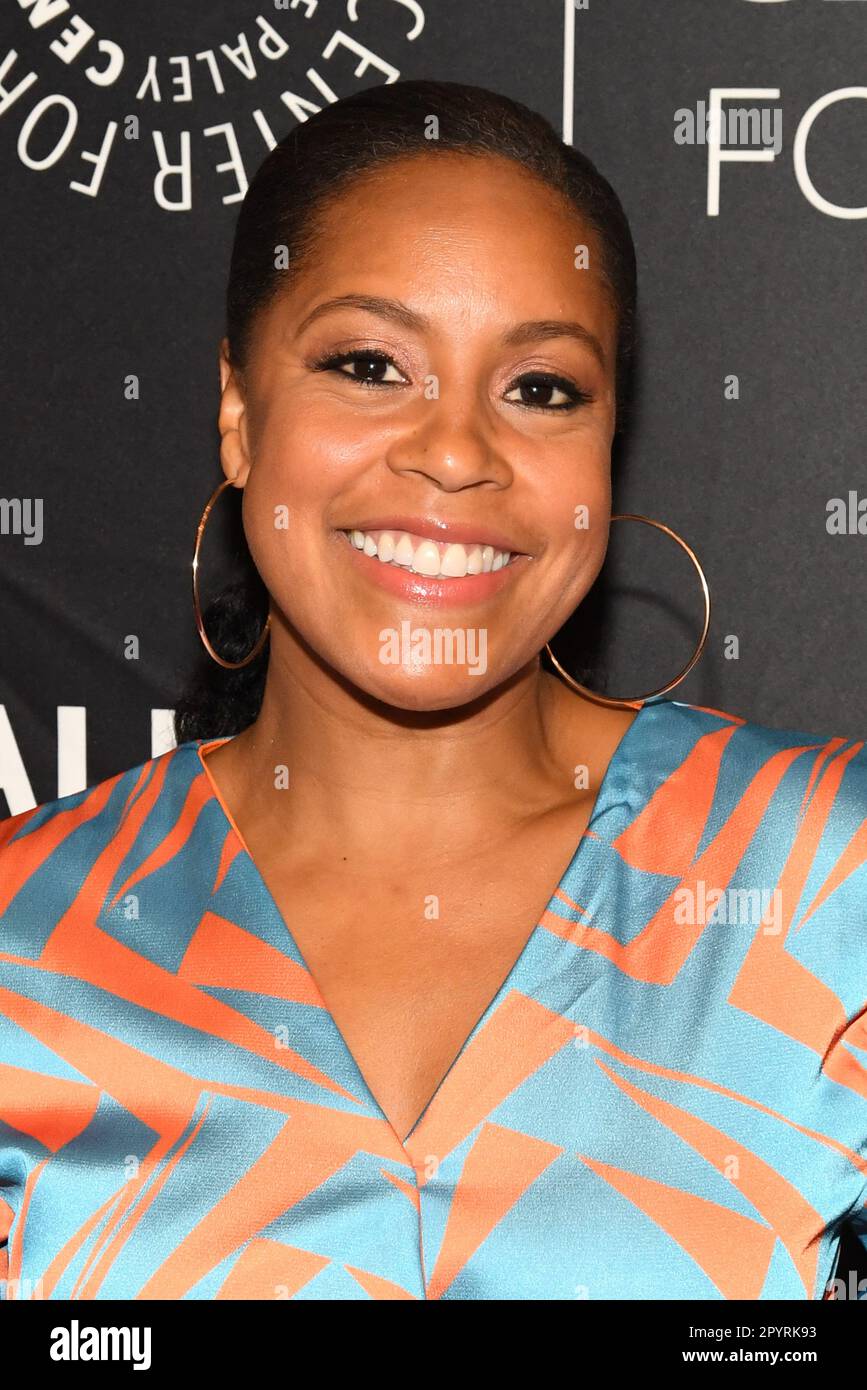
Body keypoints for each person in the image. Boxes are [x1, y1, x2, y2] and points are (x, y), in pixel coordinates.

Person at [1, 79, 865, 1303]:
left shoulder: (825, 882)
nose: (457, 450)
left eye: (542, 388)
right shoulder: (26, 942)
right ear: (240, 414)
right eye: (369, 363)